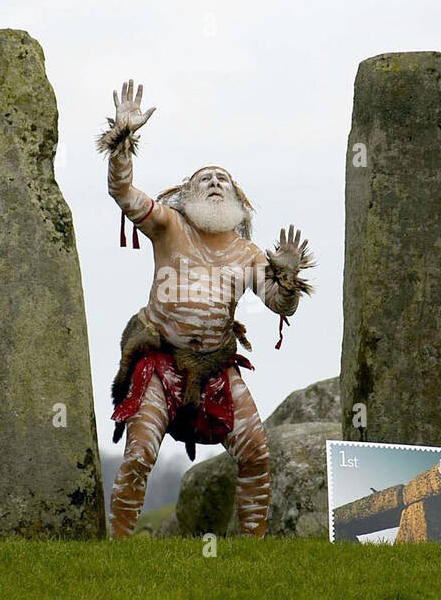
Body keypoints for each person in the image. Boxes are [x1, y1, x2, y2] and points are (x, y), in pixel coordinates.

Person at [101, 80, 315, 538]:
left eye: (224, 181)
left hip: (215, 366)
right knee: (139, 454)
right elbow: (121, 190)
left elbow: (282, 305)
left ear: (239, 203)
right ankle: (116, 545)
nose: (216, 184)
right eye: (206, 180)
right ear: (188, 195)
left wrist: (289, 277)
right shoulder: (169, 223)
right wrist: (123, 138)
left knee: (256, 453)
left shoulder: (247, 251)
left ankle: (252, 548)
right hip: (160, 361)